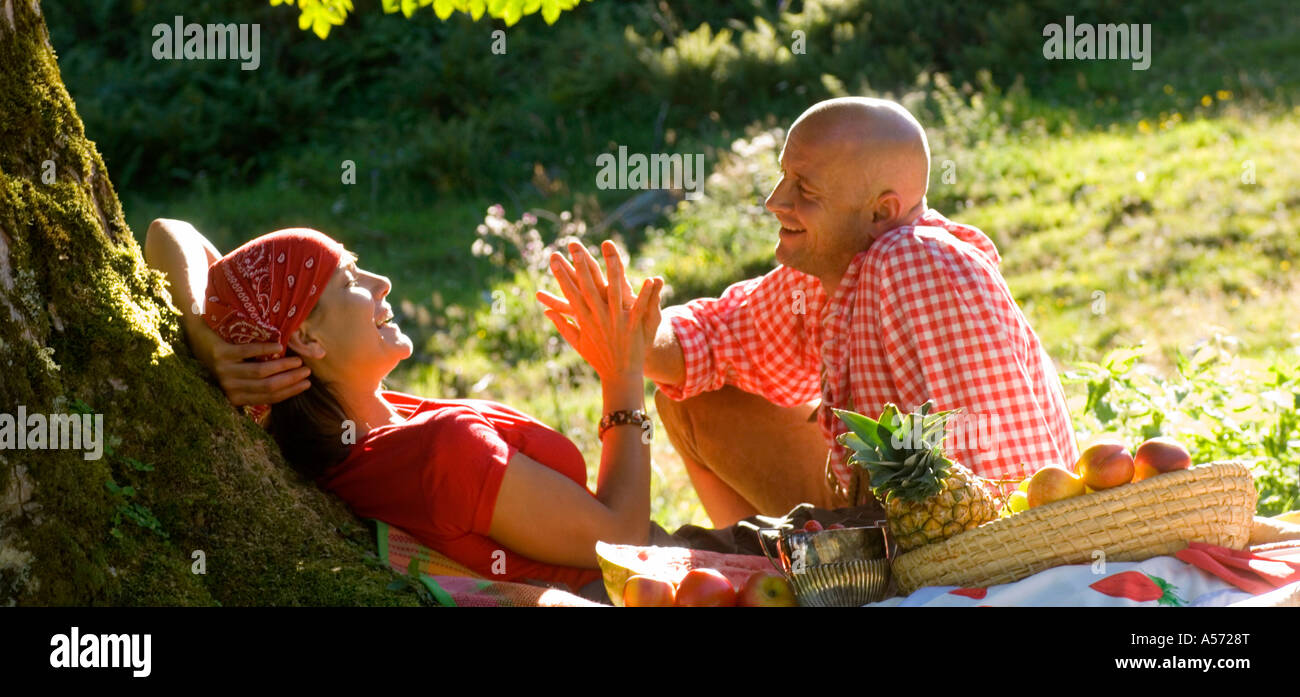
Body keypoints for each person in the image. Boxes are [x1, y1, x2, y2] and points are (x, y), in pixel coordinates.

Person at [541, 97, 1080, 528]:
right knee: (692, 400)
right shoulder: (843, 265)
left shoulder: (916, 262)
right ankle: (770, 575)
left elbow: (995, 491)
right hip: (882, 516)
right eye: (783, 177)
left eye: (805, 189)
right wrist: (633, 339)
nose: (776, 201)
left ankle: (785, 574)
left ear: (881, 211)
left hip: (970, 544)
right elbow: (721, 334)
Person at [145, 219, 662, 593]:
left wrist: (201, 332)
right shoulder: (444, 451)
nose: (381, 282)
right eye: (350, 279)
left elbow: (170, 232)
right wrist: (622, 376)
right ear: (305, 336)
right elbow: (620, 538)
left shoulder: (337, 428)